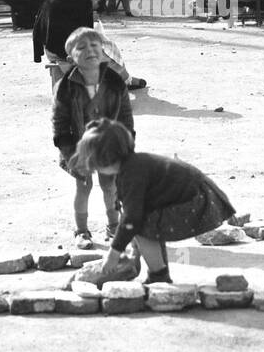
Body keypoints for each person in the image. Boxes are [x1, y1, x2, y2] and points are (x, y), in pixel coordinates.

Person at [77, 119, 236, 285]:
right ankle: (160, 271)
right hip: (190, 194)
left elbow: (131, 220)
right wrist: (132, 251)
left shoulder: (132, 173)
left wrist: (114, 252)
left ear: (105, 158)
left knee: (142, 227)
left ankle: (158, 275)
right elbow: (130, 210)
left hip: (195, 200)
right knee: (145, 223)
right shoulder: (131, 165)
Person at [53, 27, 134, 249]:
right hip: (80, 148)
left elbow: (126, 115)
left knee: (111, 187)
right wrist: (70, 153)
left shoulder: (115, 82)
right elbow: (59, 122)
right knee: (84, 186)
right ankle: (81, 231)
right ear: (71, 58)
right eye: (82, 47)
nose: (90, 50)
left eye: (95, 45)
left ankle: (114, 227)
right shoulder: (65, 87)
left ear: (103, 51)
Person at [34, 0, 146, 89]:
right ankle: (125, 80)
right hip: (60, 51)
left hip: (48, 45)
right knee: (103, 52)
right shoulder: (82, 1)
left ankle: (125, 78)